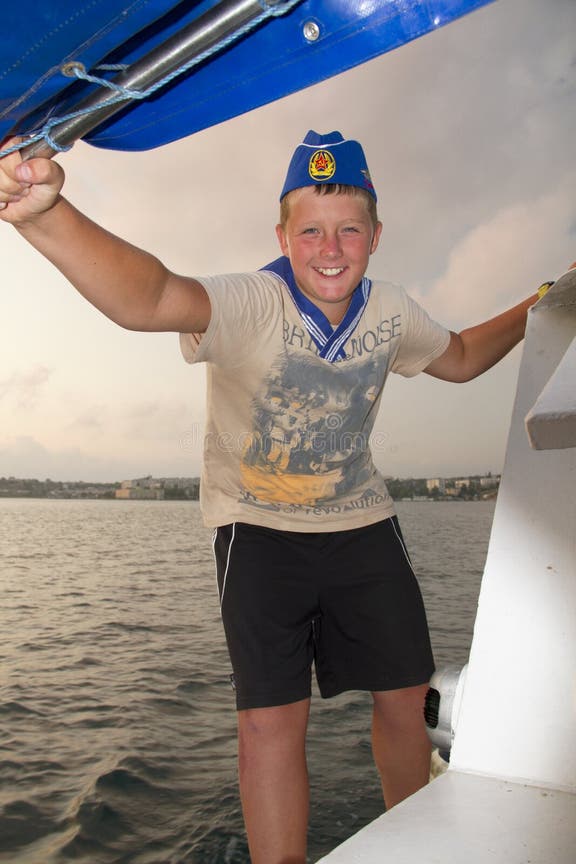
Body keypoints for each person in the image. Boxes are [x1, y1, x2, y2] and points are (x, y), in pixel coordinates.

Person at [0, 129, 565, 864]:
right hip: (255, 530)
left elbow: (458, 359)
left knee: (405, 698)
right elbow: (152, 297)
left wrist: (541, 302)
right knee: (270, 722)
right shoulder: (251, 302)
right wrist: (46, 215)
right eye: (310, 231)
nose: (330, 249)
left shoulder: (390, 313)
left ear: (375, 235)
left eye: (348, 230)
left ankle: (422, 840)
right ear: (282, 234)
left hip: (361, 525)